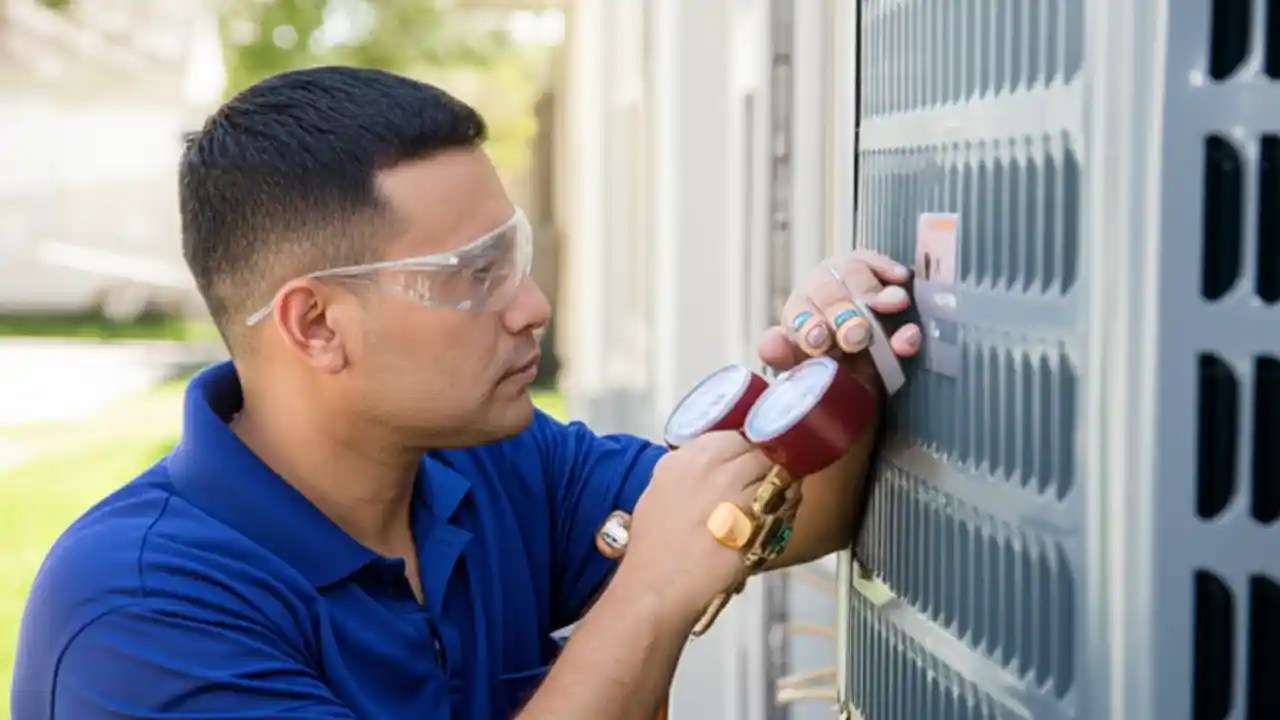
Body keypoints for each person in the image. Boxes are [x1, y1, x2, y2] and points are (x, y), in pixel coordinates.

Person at [10, 67, 921, 720]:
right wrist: (647, 598)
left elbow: (801, 516)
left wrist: (833, 369)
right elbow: (673, 565)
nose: (533, 307)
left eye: (513, 256)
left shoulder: (491, 464)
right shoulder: (140, 614)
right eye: (473, 274)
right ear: (316, 325)